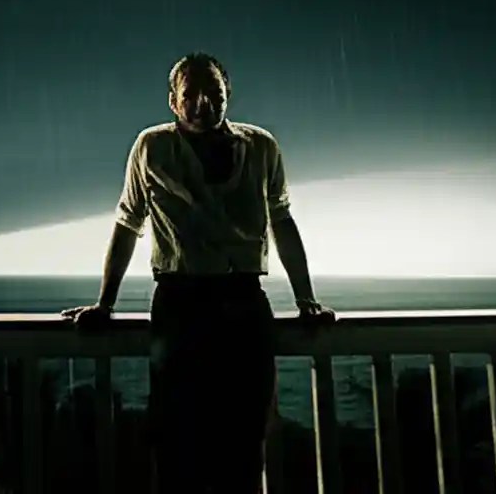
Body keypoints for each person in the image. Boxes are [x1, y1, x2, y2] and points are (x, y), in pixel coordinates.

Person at [62, 51, 334, 494]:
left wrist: (307, 300)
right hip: (180, 304)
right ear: (173, 101)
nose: (204, 103)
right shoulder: (151, 147)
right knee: (177, 437)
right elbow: (128, 223)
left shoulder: (262, 146)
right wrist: (104, 304)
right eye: (192, 94)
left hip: (245, 303)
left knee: (245, 435)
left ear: (229, 95)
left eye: (215, 93)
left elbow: (283, 222)